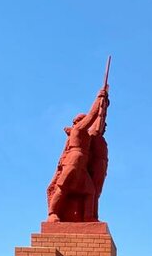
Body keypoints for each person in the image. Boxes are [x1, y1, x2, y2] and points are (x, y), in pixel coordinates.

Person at [46, 87, 108, 222]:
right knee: (63, 188)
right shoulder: (78, 129)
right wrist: (99, 98)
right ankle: (52, 214)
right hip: (73, 161)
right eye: (84, 121)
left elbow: (97, 125)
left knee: (90, 191)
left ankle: (88, 216)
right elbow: (92, 116)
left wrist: (104, 105)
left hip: (82, 164)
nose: (87, 124)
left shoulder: (86, 135)